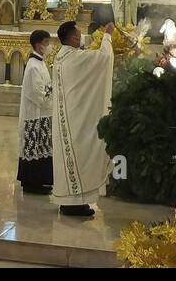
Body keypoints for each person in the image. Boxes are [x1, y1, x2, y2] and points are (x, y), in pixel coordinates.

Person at [51, 19, 114, 217]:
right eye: (78, 35)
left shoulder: (60, 57)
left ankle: (69, 202)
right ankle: (74, 204)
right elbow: (104, 58)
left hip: (67, 117)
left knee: (69, 159)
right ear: (72, 38)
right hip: (77, 119)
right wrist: (108, 35)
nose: (81, 38)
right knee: (80, 156)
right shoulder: (75, 58)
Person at [17, 29, 54, 194]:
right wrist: (51, 94)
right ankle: (31, 183)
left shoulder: (40, 62)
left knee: (41, 145)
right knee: (34, 145)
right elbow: (37, 93)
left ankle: (40, 180)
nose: (49, 46)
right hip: (34, 113)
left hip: (43, 113)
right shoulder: (33, 66)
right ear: (39, 45)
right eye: (47, 43)